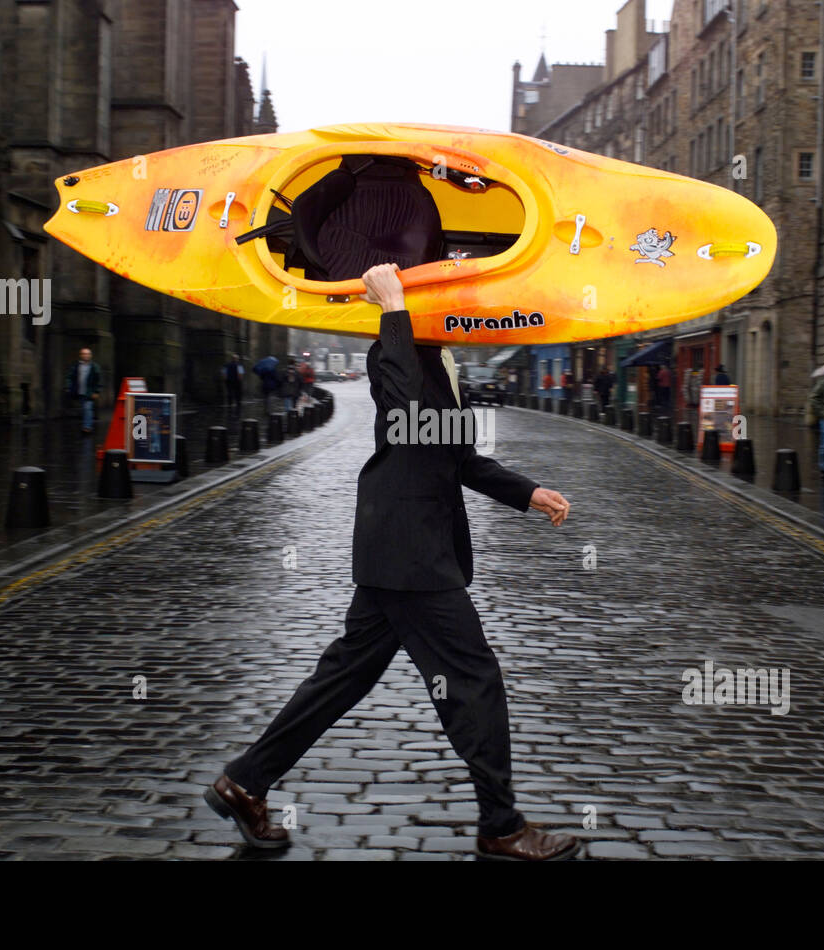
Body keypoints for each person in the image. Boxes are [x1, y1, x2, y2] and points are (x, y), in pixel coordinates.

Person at [204, 262, 580, 861]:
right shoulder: (395, 349)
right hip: (412, 554)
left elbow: (455, 456)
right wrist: (394, 306)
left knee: (341, 678)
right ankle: (502, 826)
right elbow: (405, 414)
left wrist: (526, 492)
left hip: (400, 551)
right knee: (474, 681)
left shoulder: (437, 357)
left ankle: (245, 782)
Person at [64, 346, 102, 433]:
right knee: (84, 409)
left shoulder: (94, 367)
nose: (86, 356)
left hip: (89, 392)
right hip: (80, 391)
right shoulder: (76, 366)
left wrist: (97, 391)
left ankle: (87, 427)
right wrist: (68, 387)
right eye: (84, 354)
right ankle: (87, 424)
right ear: (81, 355)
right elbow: (70, 377)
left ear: (91, 355)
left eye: (88, 354)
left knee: (87, 408)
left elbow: (98, 380)